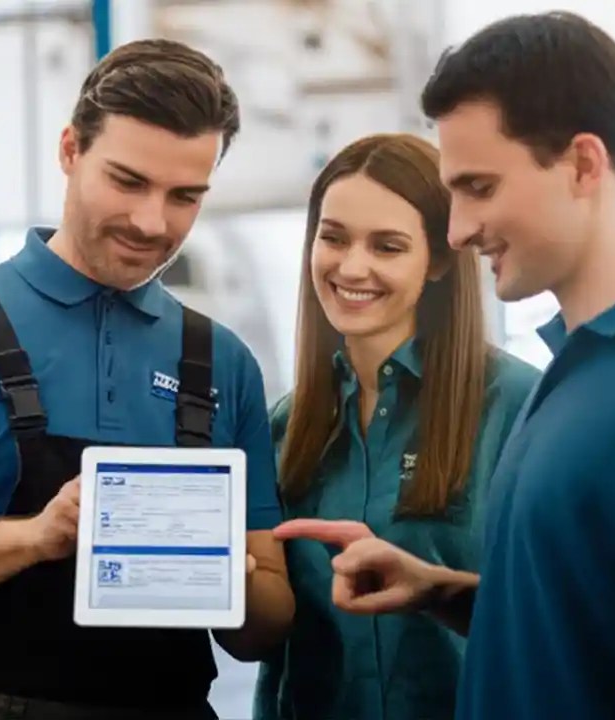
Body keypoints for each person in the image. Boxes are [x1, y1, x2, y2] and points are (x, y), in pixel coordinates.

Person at [276, 12, 615, 720]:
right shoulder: (572, 379)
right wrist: (436, 588)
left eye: (480, 188)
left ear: (585, 164)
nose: (460, 230)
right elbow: (584, 623)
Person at [0, 38, 295, 720]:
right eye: (128, 181)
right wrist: (38, 537)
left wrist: (229, 574)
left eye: (184, 197)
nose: (151, 222)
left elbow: (264, 629)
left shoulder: (221, 362)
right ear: (71, 151)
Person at [251, 133, 539, 720]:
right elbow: (274, 651)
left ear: (437, 258)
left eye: (387, 246)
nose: (351, 266)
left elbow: (564, 616)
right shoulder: (285, 428)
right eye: (333, 238)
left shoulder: (518, 406)